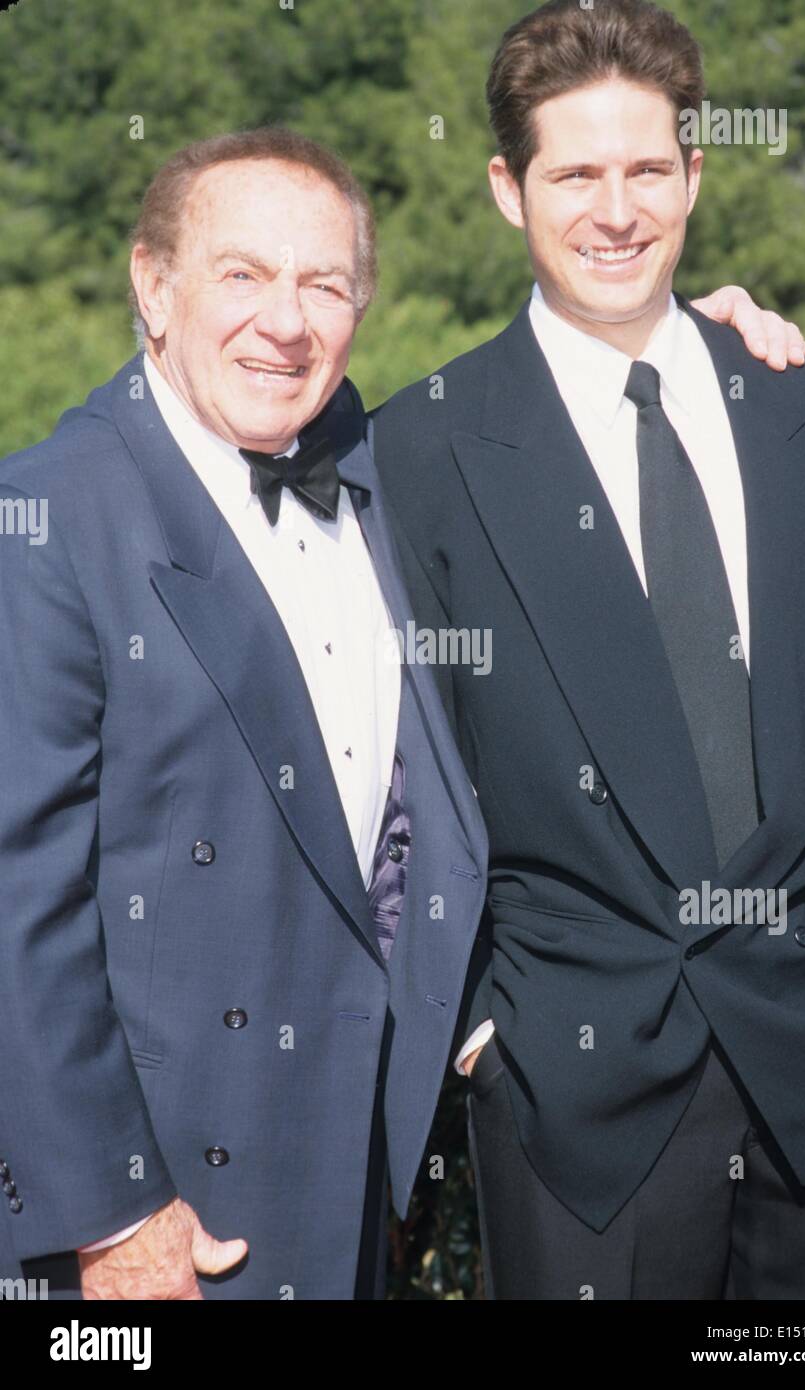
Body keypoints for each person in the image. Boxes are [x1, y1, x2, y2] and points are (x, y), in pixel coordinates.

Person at [372, 0, 805, 1299]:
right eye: (575, 172)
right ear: (506, 186)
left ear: (696, 175)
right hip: (574, 1088)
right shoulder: (414, 453)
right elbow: (368, 775)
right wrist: (480, 1022)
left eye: (648, 168)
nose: (617, 209)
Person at [0, 128, 491, 1300]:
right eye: (243, 273)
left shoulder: (385, 478)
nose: (286, 321)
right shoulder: (46, 517)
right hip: (155, 1216)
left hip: (351, 1189)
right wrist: (112, 1212)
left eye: (324, 283)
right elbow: (17, 900)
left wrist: (697, 340)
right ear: (152, 287)